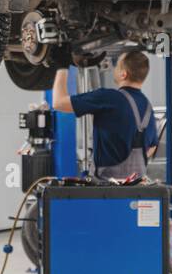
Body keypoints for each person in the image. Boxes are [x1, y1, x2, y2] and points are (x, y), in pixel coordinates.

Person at [51, 51, 158, 180]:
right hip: (136, 189)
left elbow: (59, 102)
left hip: (105, 190)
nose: (114, 67)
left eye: (117, 65)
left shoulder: (108, 97)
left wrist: (61, 67)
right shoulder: (147, 107)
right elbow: (152, 146)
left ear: (123, 74)